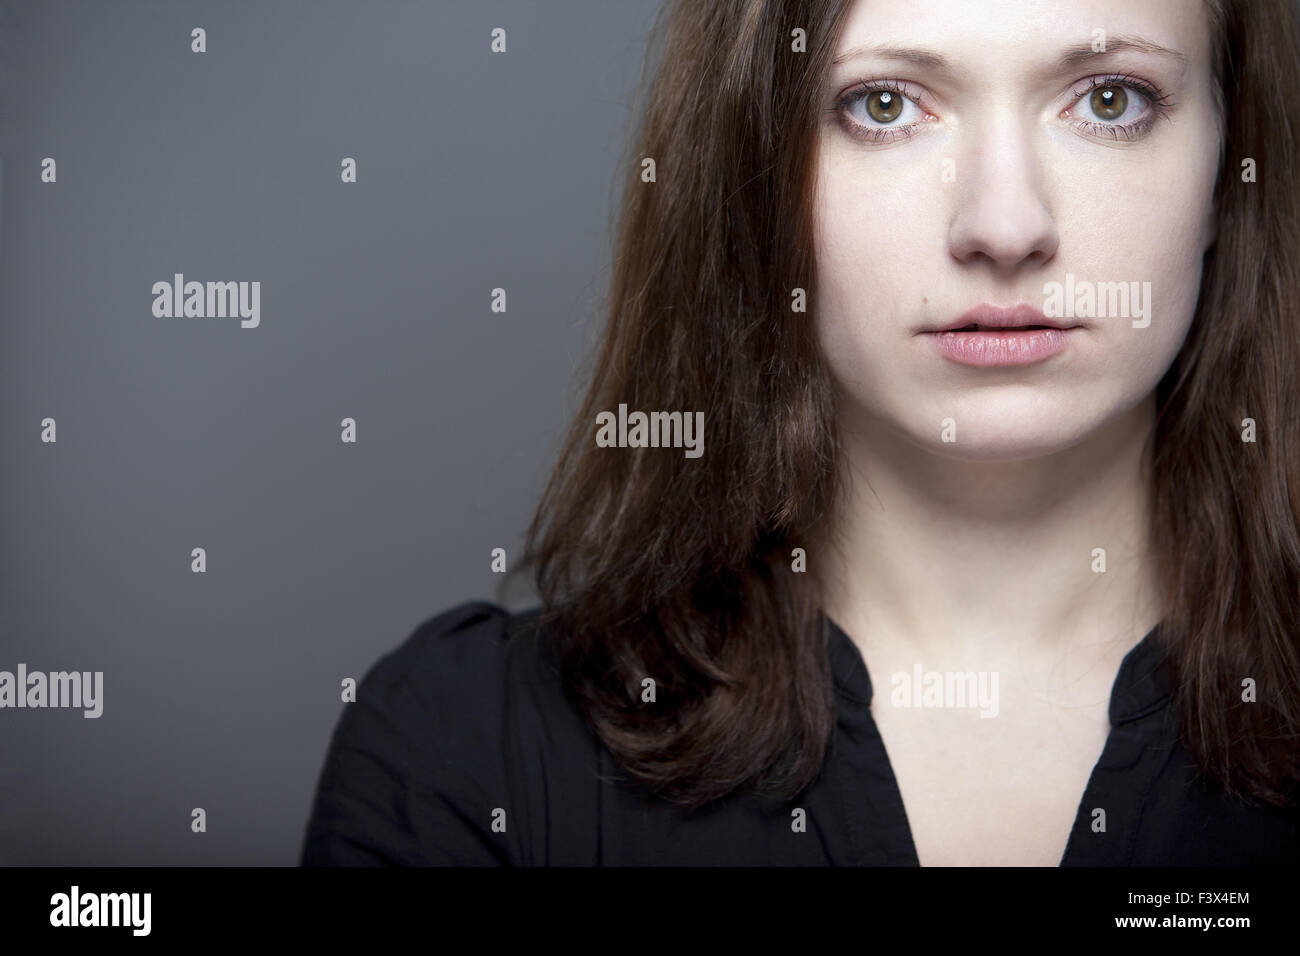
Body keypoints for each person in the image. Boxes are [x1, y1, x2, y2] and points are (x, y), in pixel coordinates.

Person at [300, 0, 1300, 866]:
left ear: (1228, 171)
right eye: (884, 104)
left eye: (1111, 100)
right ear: (757, 173)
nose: (1004, 225)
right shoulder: (466, 756)